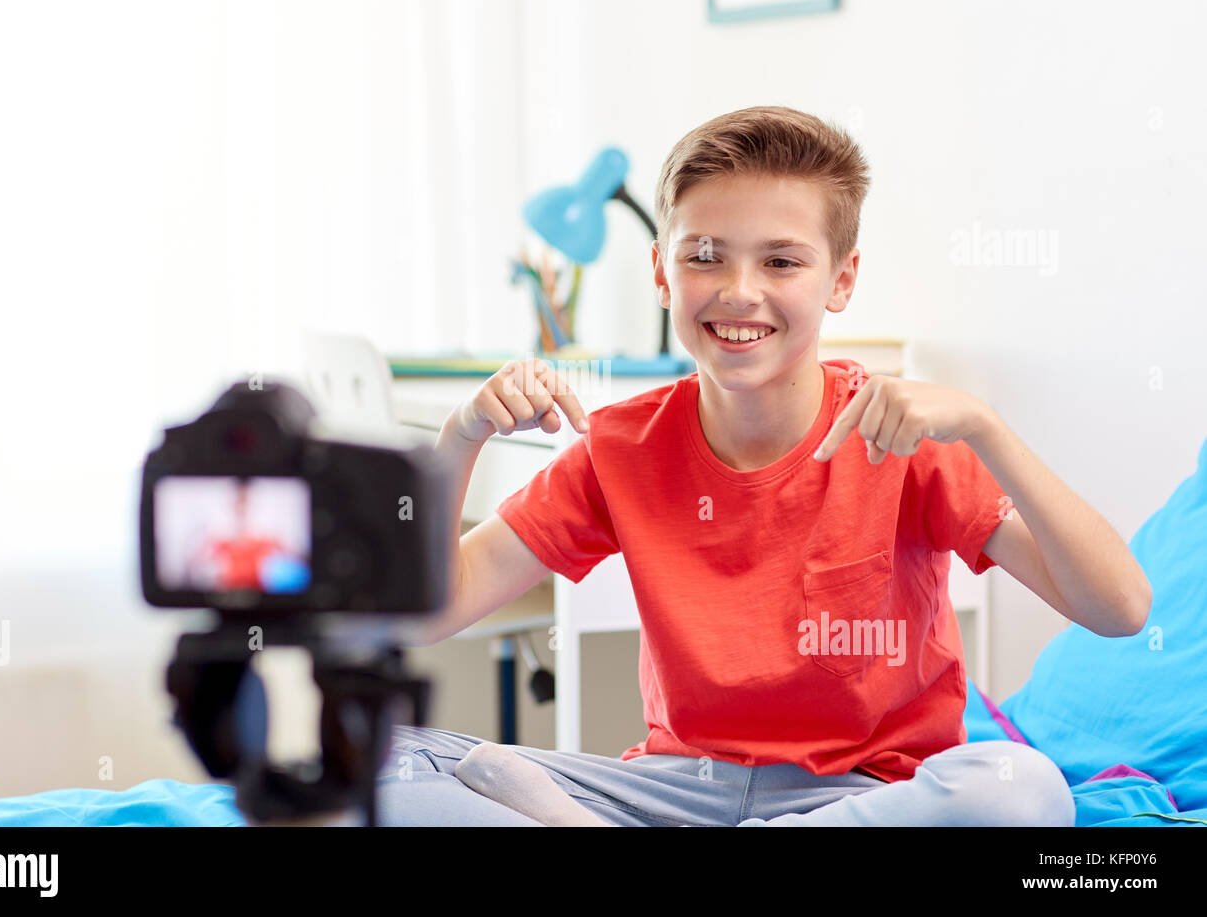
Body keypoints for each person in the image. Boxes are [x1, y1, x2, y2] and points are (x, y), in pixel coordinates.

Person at [376, 106, 1151, 826]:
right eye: (705, 256)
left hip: (863, 797)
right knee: (386, 764)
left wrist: (986, 427)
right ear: (662, 271)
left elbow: (1122, 608)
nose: (740, 292)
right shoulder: (619, 449)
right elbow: (422, 617)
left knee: (1020, 789)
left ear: (840, 279)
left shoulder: (903, 438)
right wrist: (462, 435)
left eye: (781, 261)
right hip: (678, 785)